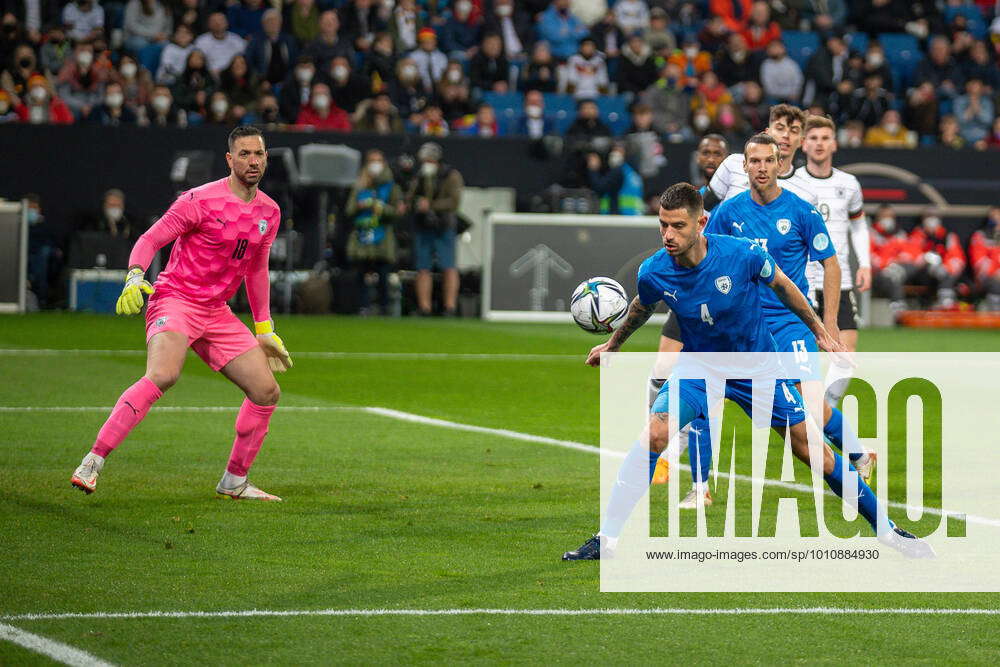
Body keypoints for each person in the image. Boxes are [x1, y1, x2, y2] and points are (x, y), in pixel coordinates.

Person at [562, 182, 932, 560]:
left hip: (758, 368)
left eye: (677, 226)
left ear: (702, 222)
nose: (668, 235)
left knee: (813, 452)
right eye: (663, 225)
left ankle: (887, 531)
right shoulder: (654, 270)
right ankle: (606, 540)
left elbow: (785, 286)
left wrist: (821, 331)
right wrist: (613, 344)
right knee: (656, 433)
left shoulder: (742, 255)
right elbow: (643, 304)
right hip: (700, 366)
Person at [70, 126, 291, 501]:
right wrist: (135, 275)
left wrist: (264, 327)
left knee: (266, 390)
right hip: (176, 299)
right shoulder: (198, 200)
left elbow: (257, 268)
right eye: (244, 154)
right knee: (163, 374)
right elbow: (149, 239)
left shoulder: (269, 211)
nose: (253, 161)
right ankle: (93, 460)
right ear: (229, 159)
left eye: (259, 154)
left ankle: (234, 481)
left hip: (216, 311)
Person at [649, 133, 728, 491]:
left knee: (705, 385)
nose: (711, 158)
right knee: (661, 372)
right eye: (706, 152)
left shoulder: (738, 197)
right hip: (689, 294)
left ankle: (694, 476)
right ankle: (664, 449)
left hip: (723, 296)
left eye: (718, 154)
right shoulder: (696, 198)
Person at [796, 115, 870, 406]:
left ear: (834, 144)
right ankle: (803, 418)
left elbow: (859, 225)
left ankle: (823, 416)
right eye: (813, 138)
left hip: (839, 281)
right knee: (804, 359)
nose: (819, 144)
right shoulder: (793, 183)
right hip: (801, 281)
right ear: (804, 144)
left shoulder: (849, 184)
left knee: (845, 354)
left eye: (825, 138)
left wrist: (865, 263)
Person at [407, 142, 463, 316]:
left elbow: (454, 202)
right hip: (423, 225)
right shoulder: (420, 177)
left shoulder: (451, 176)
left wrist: (430, 205)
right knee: (422, 267)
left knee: (449, 266)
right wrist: (416, 204)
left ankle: (450, 306)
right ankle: (424, 307)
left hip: (444, 225)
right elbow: (411, 198)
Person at [345, 149, 402, 315]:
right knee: (361, 273)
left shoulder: (391, 187)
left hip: (382, 237)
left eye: (378, 160)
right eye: (372, 160)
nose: (375, 165)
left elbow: (397, 212)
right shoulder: (359, 185)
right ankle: (363, 306)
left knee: (383, 274)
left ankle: (384, 307)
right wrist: (360, 206)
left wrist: (381, 208)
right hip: (362, 236)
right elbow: (349, 210)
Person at [907, 210, 967, 308]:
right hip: (922, 274)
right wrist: (926, 258)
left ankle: (946, 304)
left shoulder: (948, 236)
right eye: (929, 217)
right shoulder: (916, 235)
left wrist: (946, 267)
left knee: (948, 275)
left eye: (934, 216)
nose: (931, 220)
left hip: (944, 274)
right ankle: (944, 303)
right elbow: (911, 256)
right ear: (923, 220)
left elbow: (957, 258)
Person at [245, 8, 298, 86]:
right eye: (269, 21)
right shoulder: (255, 41)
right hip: (263, 81)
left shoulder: (289, 40)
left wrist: (288, 80)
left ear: (280, 23)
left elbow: (294, 62)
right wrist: (261, 79)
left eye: (275, 21)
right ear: (263, 24)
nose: (273, 24)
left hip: (287, 81)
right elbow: (249, 62)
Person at [968, 207, 1000, 311]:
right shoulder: (980, 235)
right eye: (993, 217)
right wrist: (996, 271)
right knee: (996, 284)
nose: (996, 219)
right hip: (987, 277)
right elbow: (979, 261)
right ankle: (995, 312)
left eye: (998, 216)